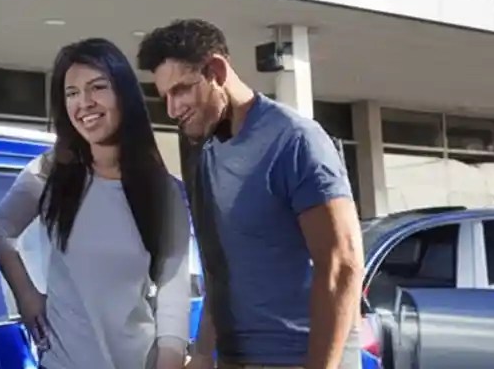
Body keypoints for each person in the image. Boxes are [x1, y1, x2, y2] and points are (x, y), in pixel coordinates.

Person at [136, 19, 363, 369]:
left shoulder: (295, 139)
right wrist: (201, 353)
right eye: (165, 96)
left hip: (301, 358)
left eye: (181, 89)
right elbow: (218, 266)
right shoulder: (204, 150)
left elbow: (342, 265)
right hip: (232, 358)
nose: (172, 108)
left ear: (217, 70)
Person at [0, 38, 191, 369]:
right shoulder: (49, 172)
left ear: (124, 94)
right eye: (71, 93)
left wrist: (169, 360)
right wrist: (26, 296)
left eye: (97, 87)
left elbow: (173, 290)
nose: (84, 103)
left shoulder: (163, 191)